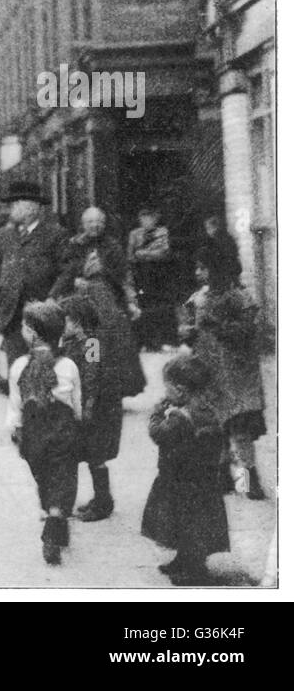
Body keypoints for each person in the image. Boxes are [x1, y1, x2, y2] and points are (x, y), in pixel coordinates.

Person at [178, 245, 267, 500]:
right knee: (217, 425)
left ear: (217, 269)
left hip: (238, 374)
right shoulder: (200, 297)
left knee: (240, 429)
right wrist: (189, 333)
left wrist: (217, 326)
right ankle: (223, 475)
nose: (197, 272)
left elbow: (246, 332)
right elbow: (193, 328)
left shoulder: (238, 297)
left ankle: (249, 479)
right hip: (212, 370)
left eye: (203, 267)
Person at [141, 353, 229, 586]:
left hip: (180, 480)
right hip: (203, 480)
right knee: (192, 524)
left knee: (186, 524)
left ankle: (195, 570)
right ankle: (184, 559)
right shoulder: (206, 409)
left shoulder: (180, 416)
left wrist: (157, 413)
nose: (166, 392)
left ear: (180, 390)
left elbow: (158, 433)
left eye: (168, 388)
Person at [5, 301, 81, 566]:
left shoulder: (18, 365)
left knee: (44, 475)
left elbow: (15, 403)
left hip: (34, 429)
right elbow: (76, 401)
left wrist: (14, 427)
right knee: (63, 475)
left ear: (31, 332)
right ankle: (56, 515)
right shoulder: (69, 365)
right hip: (62, 427)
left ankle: (52, 512)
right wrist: (80, 421)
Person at [50, 206, 147, 400]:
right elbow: (64, 270)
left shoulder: (112, 245)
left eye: (99, 222)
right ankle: (85, 384)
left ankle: (108, 387)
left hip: (106, 299)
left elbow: (122, 274)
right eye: (90, 222)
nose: (95, 226)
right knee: (86, 339)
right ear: (83, 224)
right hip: (79, 299)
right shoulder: (73, 245)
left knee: (109, 339)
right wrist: (76, 278)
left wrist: (105, 273)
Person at [0, 180, 68, 365]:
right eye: (12, 204)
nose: (12, 208)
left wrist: (52, 297)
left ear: (34, 206)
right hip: (11, 314)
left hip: (42, 315)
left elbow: (66, 271)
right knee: (16, 369)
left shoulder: (55, 234)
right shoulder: (2, 236)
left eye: (17, 203)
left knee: (45, 369)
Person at [58, 295, 118, 521]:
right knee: (91, 453)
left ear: (77, 321)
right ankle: (100, 497)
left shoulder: (91, 343)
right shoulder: (76, 343)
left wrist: (88, 406)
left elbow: (92, 376)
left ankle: (104, 501)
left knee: (96, 454)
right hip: (88, 405)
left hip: (95, 408)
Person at [127, 204, 173, 349]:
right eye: (143, 219)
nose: (146, 222)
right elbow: (131, 255)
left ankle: (157, 341)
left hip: (157, 275)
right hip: (140, 275)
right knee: (142, 306)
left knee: (158, 307)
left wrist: (144, 253)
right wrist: (148, 253)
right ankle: (143, 341)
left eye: (149, 219)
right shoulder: (135, 234)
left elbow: (164, 252)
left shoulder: (162, 232)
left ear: (154, 219)